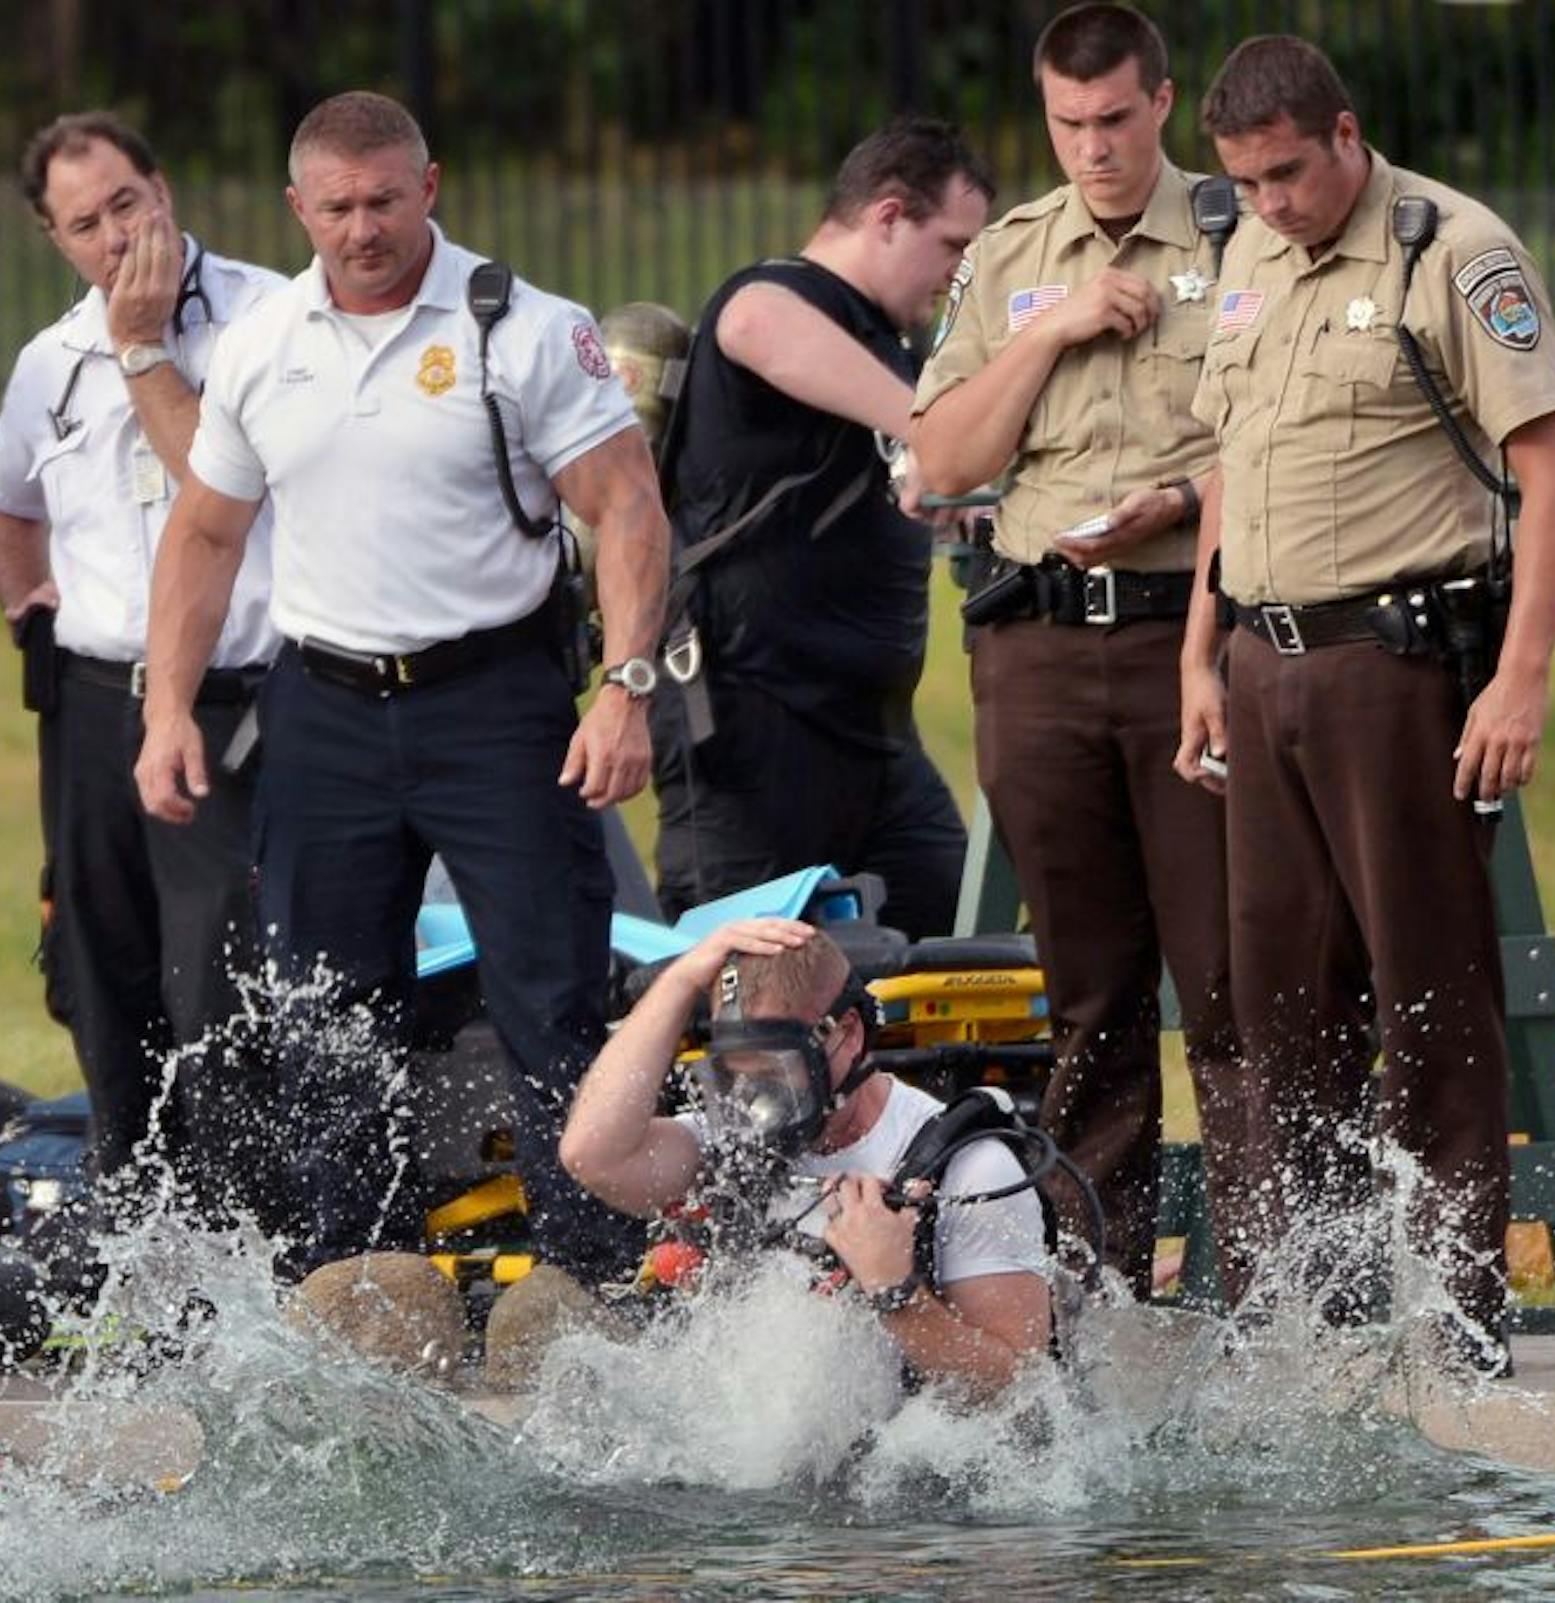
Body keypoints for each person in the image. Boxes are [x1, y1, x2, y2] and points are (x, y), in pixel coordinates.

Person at [134, 91, 670, 1284]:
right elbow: (208, 535)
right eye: (337, 207)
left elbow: (627, 507)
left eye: (384, 199)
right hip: (323, 709)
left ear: (429, 187)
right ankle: (359, 1294)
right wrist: (167, 708)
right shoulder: (264, 347)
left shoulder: (524, 329)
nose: (363, 228)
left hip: (496, 702)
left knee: (551, 1002)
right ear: (298, 209)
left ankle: (588, 1293)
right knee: (328, 1021)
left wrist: (625, 688)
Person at [1173, 37, 1555, 1377]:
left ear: (1347, 135)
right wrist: (1203, 651)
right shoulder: (1245, 251)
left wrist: (1521, 676)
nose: (1273, 201)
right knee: (1280, 1002)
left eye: (1290, 172)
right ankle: (1339, 1313)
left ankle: (1460, 1316)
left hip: (1397, 667)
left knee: (1428, 997)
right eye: (1246, 180)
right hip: (1263, 661)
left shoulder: (1448, 251)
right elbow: (1231, 466)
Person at [909, 3, 1246, 1299]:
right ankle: (1094, 1289)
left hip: (1190, 634)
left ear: (1163, 103)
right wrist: (1049, 330)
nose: (1093, 149)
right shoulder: (1008, 258)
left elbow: (1271, 437)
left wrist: (1180, 503)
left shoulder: (1238, 235)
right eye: (1067, 124)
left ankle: (1258, 1285)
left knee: (1229, 984)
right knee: (1085, 989)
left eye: (1115, 121)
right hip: (1042, 646)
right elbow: (944, 458)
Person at [0, 112, 287, 1228]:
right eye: (83, 224)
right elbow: (2, 497)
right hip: (95, 696)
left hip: (229, 698)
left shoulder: (267, 316)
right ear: (56, 241)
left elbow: (223, 492)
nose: (114, 237)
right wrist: (29, 605)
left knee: (219, 973)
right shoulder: (49, 360)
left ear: (164, 187)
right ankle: (135, 1228)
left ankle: (242, 1239)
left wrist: (145, 341)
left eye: (125, 205)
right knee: (101, 968)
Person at [649, 119, 992, 939]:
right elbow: (751, 324)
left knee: (961, 951)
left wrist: (950, 490)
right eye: (952, 246)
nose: (959, 275)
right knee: (746, 1000)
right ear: (887, 217)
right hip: (752, 728)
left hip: (872, 737)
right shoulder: (774, 294)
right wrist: (932, 428)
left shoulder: (890, 341)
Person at [560, 919, 1052, 1399]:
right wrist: (684, 979)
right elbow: (592, 1154)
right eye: (738, 1074)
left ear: (849, 1035)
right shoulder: (731, 1143)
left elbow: (1020, 1388)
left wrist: (895, 1290)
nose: (760, 1103)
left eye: (778, 1071)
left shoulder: (970, 1169)